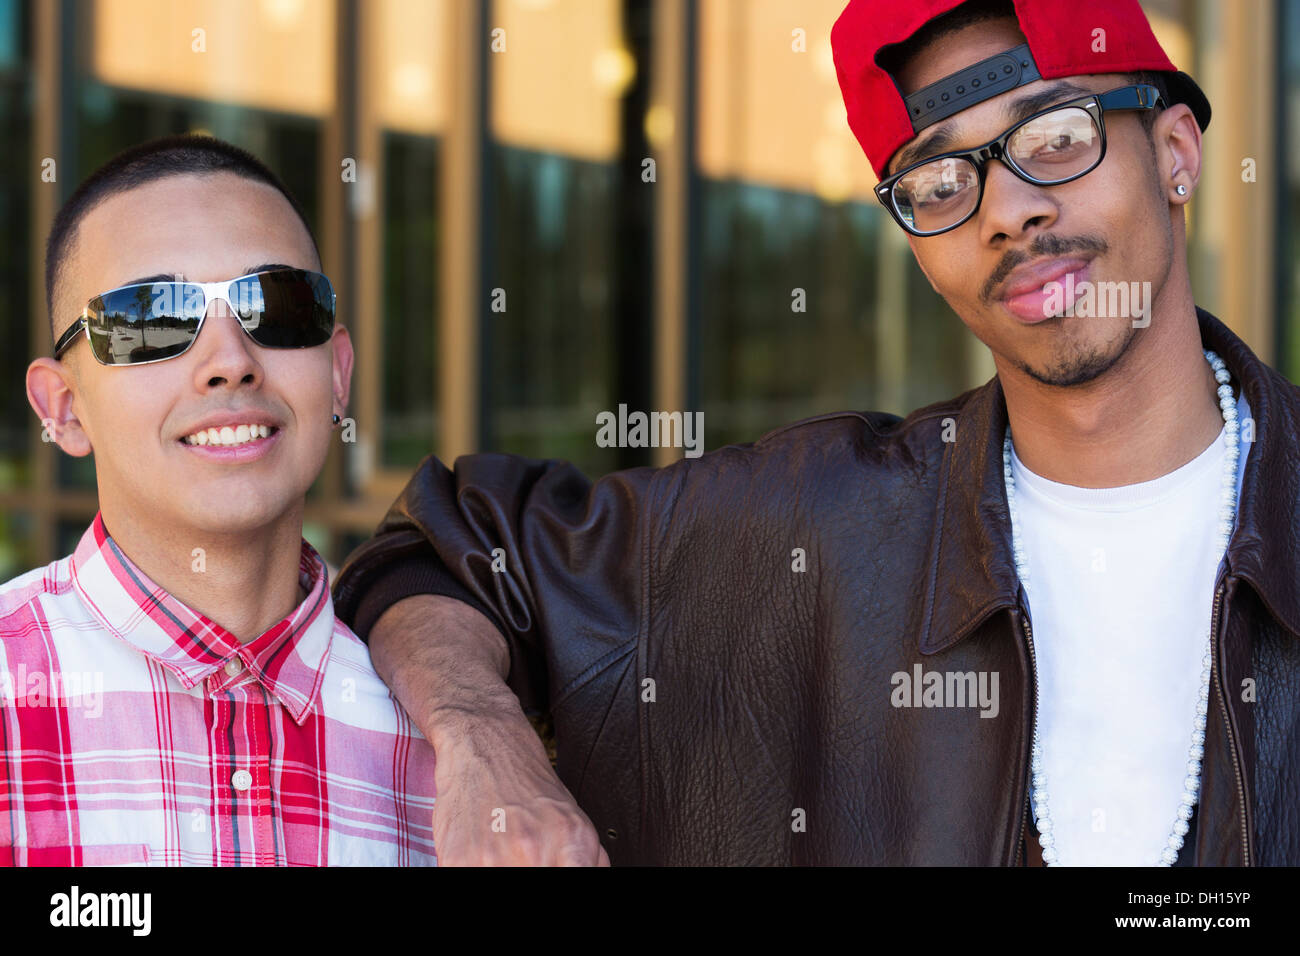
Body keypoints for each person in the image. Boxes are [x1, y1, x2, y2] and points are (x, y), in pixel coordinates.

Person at [333, 0, 1300, 865]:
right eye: (939, 183)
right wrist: (483, 739)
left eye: (1054, 137)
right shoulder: (825, 525)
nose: (1007, 212)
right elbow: (446, 545)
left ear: (1176, 154)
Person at [0, 134, 437, 866]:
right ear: (64, 408)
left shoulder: (452, 748)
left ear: (337, 374)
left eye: (277, 305)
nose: (230, 363)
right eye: (151, 319)